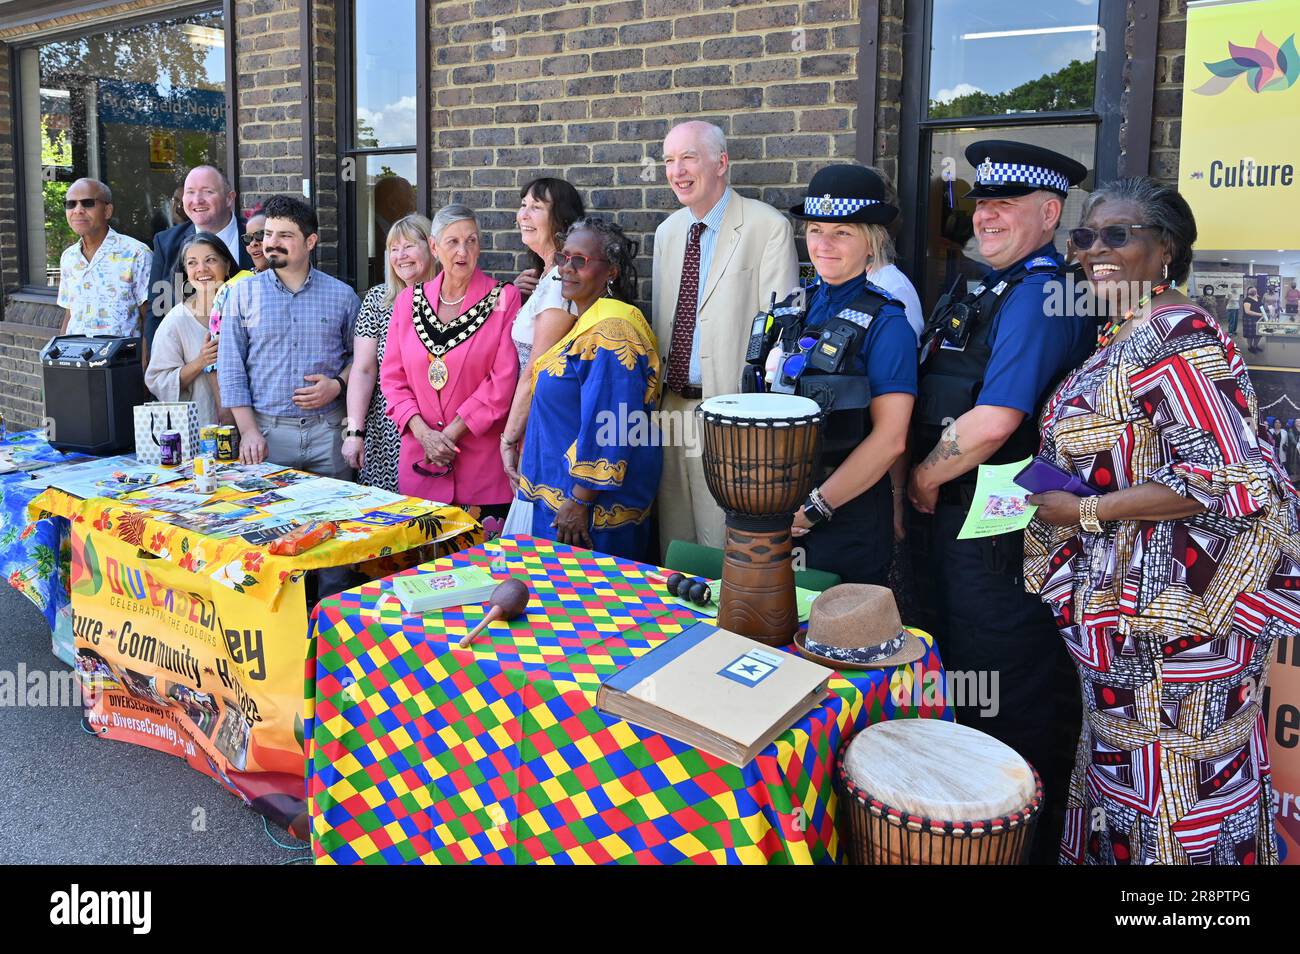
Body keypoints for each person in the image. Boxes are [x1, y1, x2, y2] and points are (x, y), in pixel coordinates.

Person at [1024, 177, 1300, 865]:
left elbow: (1227, 477)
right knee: (1132, 788)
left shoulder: (1178, 336)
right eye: (1085, 238)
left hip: (1176, 636)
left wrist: (1084, 509)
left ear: (1166, 249)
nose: (1095, 252)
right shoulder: (1129, 328)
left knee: (1179, 797)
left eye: (1118, 235)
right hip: (1129, 627)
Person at [908, 140, 1094, 863]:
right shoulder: (984, 286)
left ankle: (1014, 845)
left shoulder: (1043, 293)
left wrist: (921, 479)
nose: (985, 215)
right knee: (966, 682)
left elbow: (995, 420)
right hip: (961, 527)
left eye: (1005, 205)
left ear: (1049, 214)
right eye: (981, 202)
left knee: (1007, 698)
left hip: (1002, 534)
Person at [750, 165, 917, 585]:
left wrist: (814, 509)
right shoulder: (793, 307)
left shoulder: (887, 322)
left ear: (872, 243)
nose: (823, 244)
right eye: (816, 229)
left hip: (843, 516)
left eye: (842, 232)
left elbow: (890, 439)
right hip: (775, 506)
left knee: (830, 642)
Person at [652, 120, 799, 553]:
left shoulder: (766, 227)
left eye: (688, 157)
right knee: (674, 547)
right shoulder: (667, 233)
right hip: (670, 410)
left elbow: (781, 337)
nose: (677, 170)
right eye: (669, 160)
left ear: (722, 162)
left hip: (730, 416)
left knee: (723, 549)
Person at [518, 217, 662, 560]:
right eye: (563, 258)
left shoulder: (612, 333)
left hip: (591, 517)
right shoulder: (585, 324)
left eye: (580, 260)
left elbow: (614, 423)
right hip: (564, 504)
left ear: (611, 271)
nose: (566, 268)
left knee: (591, 609)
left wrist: (580, 501)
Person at [380, 205, 521, 533]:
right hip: (420, 463)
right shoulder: (408, 301)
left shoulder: (504, 298)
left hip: (481, 472)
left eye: (471, 241)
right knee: (421, 576)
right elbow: (392, 377)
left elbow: (501, 382)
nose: (463, 251)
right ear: (434, 247)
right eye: (453, 241)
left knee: (484, 577)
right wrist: (424, 434)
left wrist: (448, 435)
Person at [217, 194, 359, 478]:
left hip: (329, 433)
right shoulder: (242, 295)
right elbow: (231, 369)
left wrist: (338, 385)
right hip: (267, 436)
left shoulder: (342, 296)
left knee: (337, 519)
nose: (271, 242)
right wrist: (248, 432)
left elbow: (363, 359)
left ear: (310, 242)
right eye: (268, 233)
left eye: (284, 235)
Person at [500, 178, 586, 534]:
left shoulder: (560, 284)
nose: (524, 214)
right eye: (523, 205)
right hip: (534, 422)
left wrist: (508, 437)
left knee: (539, 542)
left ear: (561, 220)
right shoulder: (547, 279)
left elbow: (536, 368)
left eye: (536, 207)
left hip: (547, 426)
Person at [343, 213, 435, 493]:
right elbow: (363, 370)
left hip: (437, 429)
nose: (401, 256)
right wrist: (354, 432)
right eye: (393, 249)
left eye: (409, 246)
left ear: (432, 247)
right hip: (386, 431)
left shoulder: (453, 302)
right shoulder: (378, 300)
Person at [147, 165, 254, 350]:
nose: (197, 200)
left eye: (207, 191)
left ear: (229, 198)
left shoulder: (258, 238)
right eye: (190, 192)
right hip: (190, 362)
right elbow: (156, 310)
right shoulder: (166, 243)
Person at [145, 232, 237, 427]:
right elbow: (157, 380)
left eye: (210, 260)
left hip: (252, 429)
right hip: (201, 431)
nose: (201, 269)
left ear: (227, 265)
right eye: (192, 263)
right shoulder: (176, 321)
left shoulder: (244, 312)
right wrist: (200, 362)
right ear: (185, 271)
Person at [56, 178, 152, 340]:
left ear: (107, 211)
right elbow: (69, 313)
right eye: (71, 204)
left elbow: (149, 316)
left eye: (87, 203)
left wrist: (146, 361)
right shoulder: (68, 257)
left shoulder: (136, 253)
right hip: (76, 358)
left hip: (120, 360)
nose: (78, 210)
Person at [241, 207, 270, 272]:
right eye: (248, 237)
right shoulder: (242, 281)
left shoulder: (294, 279)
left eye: (260, 235)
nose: (253, 243)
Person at [1242, 285, 1264, 353]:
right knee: (1250, 335)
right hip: (1249, 319)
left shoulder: (1258, 298)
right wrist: (1259, 314)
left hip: (1259, 319)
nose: (1253, 290)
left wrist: (1263, 315)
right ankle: (1250, 347)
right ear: (1248, 292)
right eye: (1251, 290)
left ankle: (1255, 346)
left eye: (1254, 289)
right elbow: (1247, 311)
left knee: (1259, 334)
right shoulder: (1247, 300)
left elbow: (1261, 307)